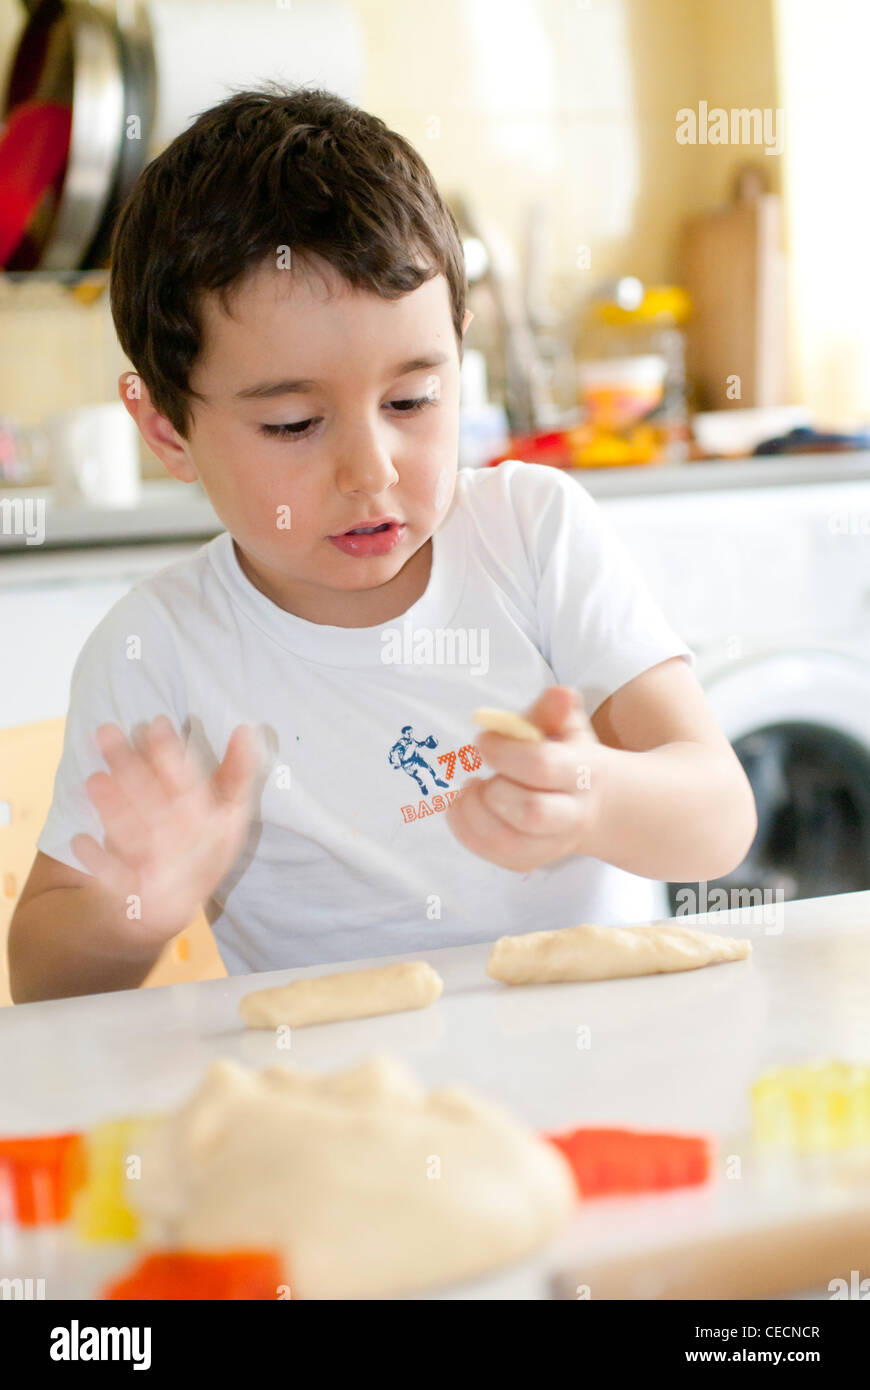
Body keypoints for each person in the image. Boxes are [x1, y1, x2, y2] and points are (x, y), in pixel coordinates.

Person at [9, 85, 756, 1001]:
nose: (371, 471)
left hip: (606, 1078)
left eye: (411, 401)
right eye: (292, 423)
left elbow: (719, 820)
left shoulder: (531, 532)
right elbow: (43, 979)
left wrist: (590, 794)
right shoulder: (157, 649)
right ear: (166, 428)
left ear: (459, 354)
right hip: (342, 1106)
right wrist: (134, 910)